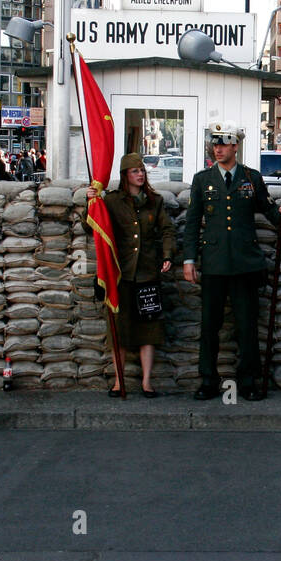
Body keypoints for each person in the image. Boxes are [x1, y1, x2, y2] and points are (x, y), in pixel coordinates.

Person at [182, 121, 281, 402]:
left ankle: (248, 381)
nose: (217, 149)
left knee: (247, 326)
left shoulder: (251, 178)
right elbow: (193, 222)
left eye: (222, 144)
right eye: (214, 144)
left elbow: (270, 213)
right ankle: (208, 380)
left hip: (246, 263)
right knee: (210, 325)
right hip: (215, 263)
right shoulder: (203, 179)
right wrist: (189, 260)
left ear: (235, 146)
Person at [87, 153, 175, 398]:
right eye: (135, 171)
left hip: (147, 273)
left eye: (142, 171)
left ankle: (147, 382)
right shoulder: (112, 201)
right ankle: (119, 381)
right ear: (125, 176)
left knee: (149, 330)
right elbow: (92, 226)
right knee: (120, 329)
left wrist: (167, 255)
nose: (140, 174)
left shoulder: (154, 201)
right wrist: (91, 202)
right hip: (120, 274)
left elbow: (166, 229)